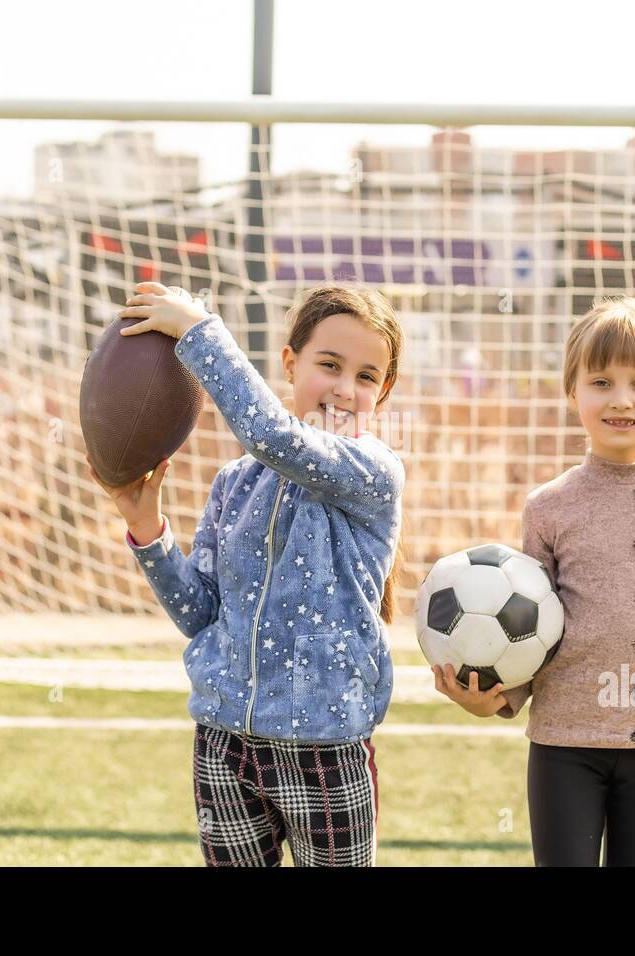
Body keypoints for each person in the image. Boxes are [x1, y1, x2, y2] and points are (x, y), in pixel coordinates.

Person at [433, 293, 635, 866]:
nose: (621, 400)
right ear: (572, 391)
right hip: (563, 743)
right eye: (602, 382)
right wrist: (494, 701)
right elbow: (530, 632)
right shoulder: (548, 507)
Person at [89, 282, 406, 867]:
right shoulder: (233, 483)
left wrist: (200, 333)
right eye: (328, 364)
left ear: (382, 394)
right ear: (289, 363)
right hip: (224, 746)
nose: (343, 388)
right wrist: (147, 529)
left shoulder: (375, 472)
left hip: (325, 750)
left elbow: (273, 436)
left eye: (366, 377)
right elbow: (199, 614)